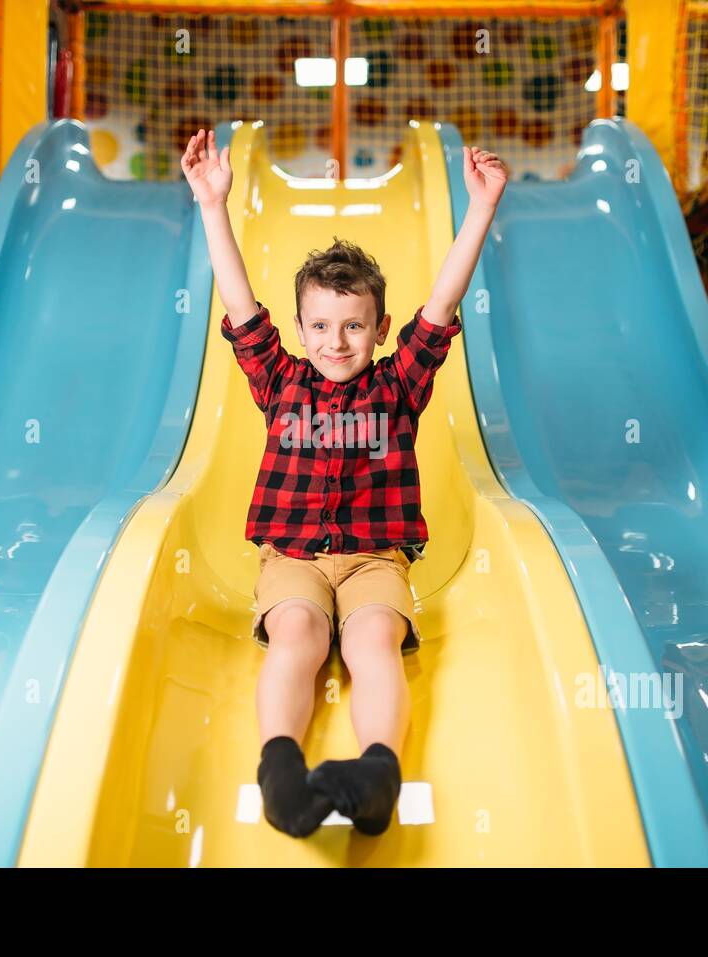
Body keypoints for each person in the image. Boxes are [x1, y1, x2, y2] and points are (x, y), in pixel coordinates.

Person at [181, 127, 507, 838]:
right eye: (322, 326)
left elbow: (443, 306)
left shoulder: (400, 383)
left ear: (381, 327)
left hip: (373, 558)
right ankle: (281, 775)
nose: (336, 341)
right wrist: (213, 205)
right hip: (292, 556)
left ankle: (377, 771)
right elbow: (239, 309)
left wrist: (479, 209)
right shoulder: (280, 380)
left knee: (373, 641)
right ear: (299, 329)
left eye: (354, 325)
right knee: (296, 631)